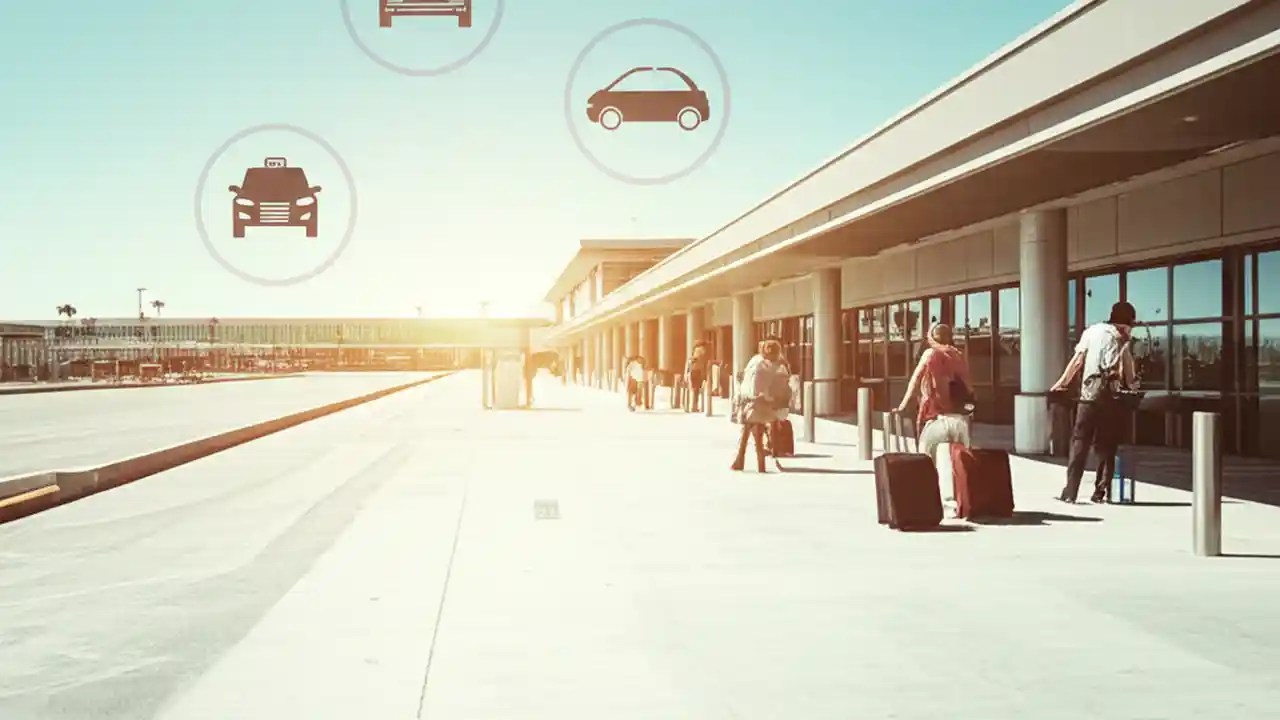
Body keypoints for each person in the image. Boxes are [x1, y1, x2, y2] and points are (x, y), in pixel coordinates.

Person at [1050, 301, 1138, 504]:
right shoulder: (1122, 338)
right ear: (1126, 322)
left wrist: (1061, 383)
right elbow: (1128, 371)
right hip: (1111, 399)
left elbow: (1077, 360)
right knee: (1107, 446)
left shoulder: (1091, 331)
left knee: (1079, 442)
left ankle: (1070, 492)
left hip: (1088, 396)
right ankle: (1100, 492)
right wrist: (1133, 387)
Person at [895, 323, 973, 461]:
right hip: (960, 420)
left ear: (931, 337)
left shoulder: (930, 354)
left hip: (935, 417)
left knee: (926, 461)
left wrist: (902, 406)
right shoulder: (959, 355)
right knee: (959, 463)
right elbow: (969, 387)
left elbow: (915, 380)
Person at [731, 339, 791, 472]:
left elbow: (751, 385)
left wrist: (742, 397)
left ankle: (751, 463)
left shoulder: (757, 363)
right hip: (768, 405)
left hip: (754, 404)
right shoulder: (780, 365)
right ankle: (746, 461)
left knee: (752, 434)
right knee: (752, 433)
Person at [685, 342, 709, 412]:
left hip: (692, 371)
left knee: (693, 390)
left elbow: (689, 363)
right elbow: (703, 362)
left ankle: (692, 406)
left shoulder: (694, 351)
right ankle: (694, 407)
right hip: (698, 372)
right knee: (696, 390)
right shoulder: (702, 350)